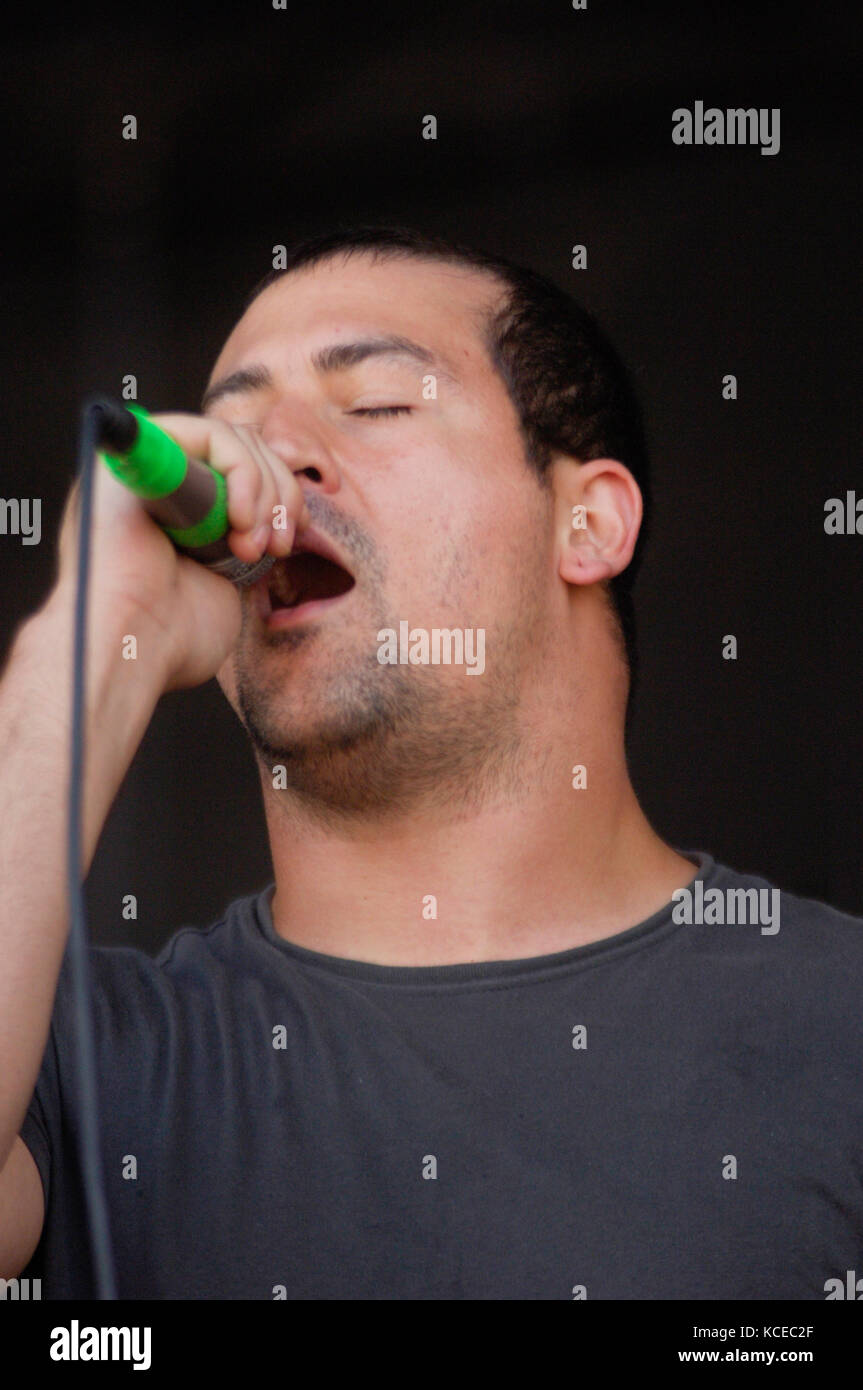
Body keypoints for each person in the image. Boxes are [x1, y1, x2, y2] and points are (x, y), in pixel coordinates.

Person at [0, 228, 860, 1300]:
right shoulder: (81, 1062)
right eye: (233, 434)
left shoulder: (836, 1024)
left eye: (374, 405)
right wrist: (91, 635)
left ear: (586, 520)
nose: (280, 462)